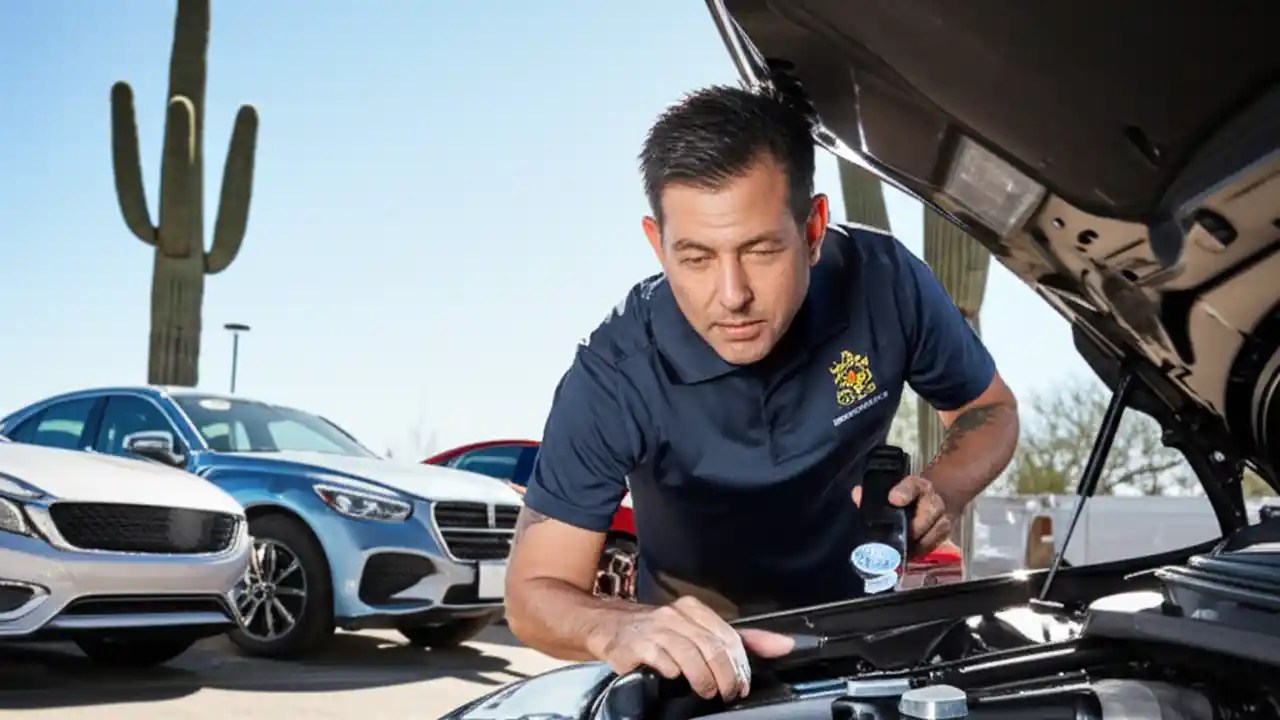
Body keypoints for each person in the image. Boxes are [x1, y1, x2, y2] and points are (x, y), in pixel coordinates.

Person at [504, 84, 1020, 702]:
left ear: (813, 228)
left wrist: (945, 487)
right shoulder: (615, 371)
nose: (732, 296)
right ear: (657, 244)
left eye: (761, 250)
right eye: (696, 258)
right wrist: (619, 626)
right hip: (692, 676)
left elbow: (990, 409)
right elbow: (533, 593)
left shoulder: (886, 285)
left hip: (856, 645)